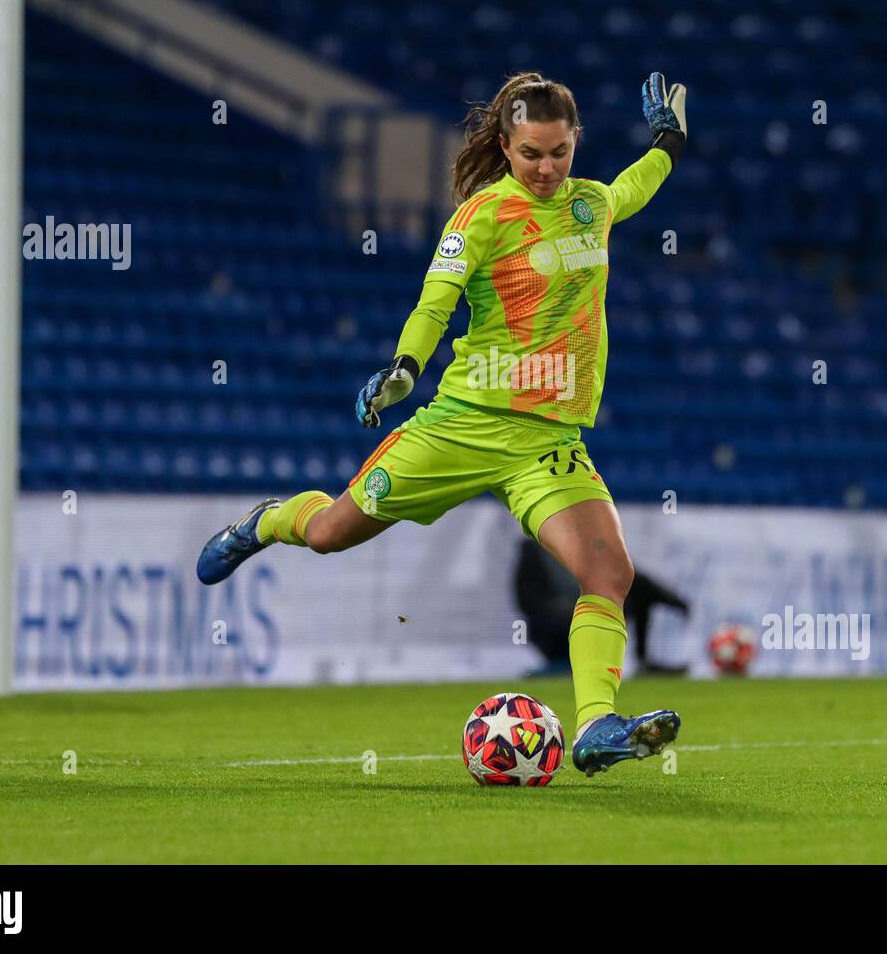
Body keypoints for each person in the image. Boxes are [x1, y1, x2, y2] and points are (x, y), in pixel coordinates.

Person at [198, 72, 688, 775]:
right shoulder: (482, 216)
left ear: (575, 141)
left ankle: (596, 725)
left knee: (608, 570)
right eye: (530, 154)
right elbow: (436, 302)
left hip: (545, 441)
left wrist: (668, 143)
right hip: (462, 422)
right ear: (505, 146)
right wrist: (404, 367)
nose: (546, 169)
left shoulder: (592, 205)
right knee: (332, 531)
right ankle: (265, 522)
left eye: (558, 152)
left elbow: (635, 186)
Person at [514, 537, 691, 676]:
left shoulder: (591, 545)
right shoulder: (534, 551)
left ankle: (642, 663)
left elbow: (633, 578)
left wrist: (672, 600)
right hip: (555, 631)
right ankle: (567, 666)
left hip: (592, 619)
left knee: (639, 592)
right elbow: (529, 599)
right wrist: (576, 613)